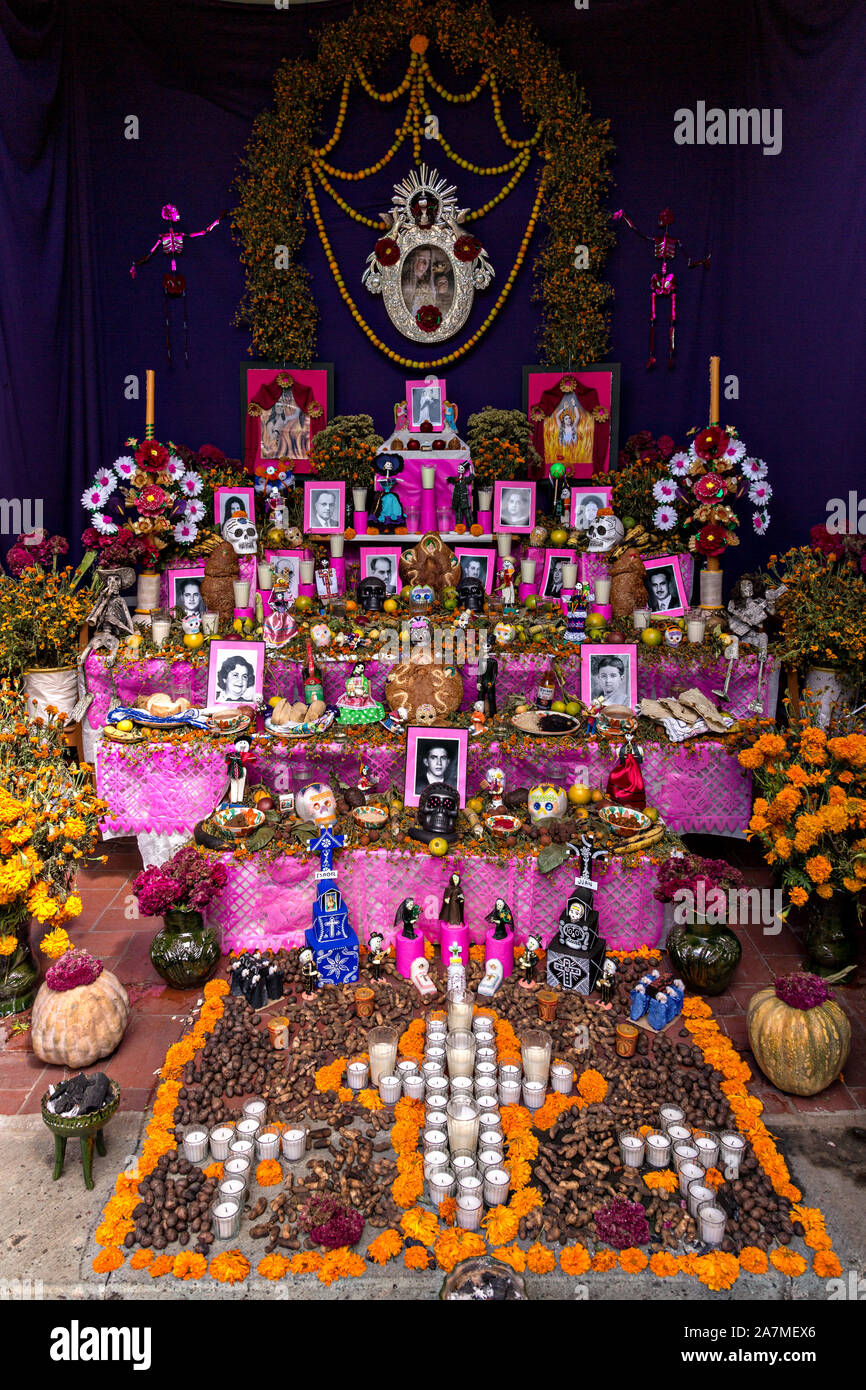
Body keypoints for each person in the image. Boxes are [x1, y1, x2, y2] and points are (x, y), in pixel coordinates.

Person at [403, 247, 434, 317]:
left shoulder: (428, 283)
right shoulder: (406, 284)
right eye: (421, 259)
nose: (426, 264)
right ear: (414, 260)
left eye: (428, 260)